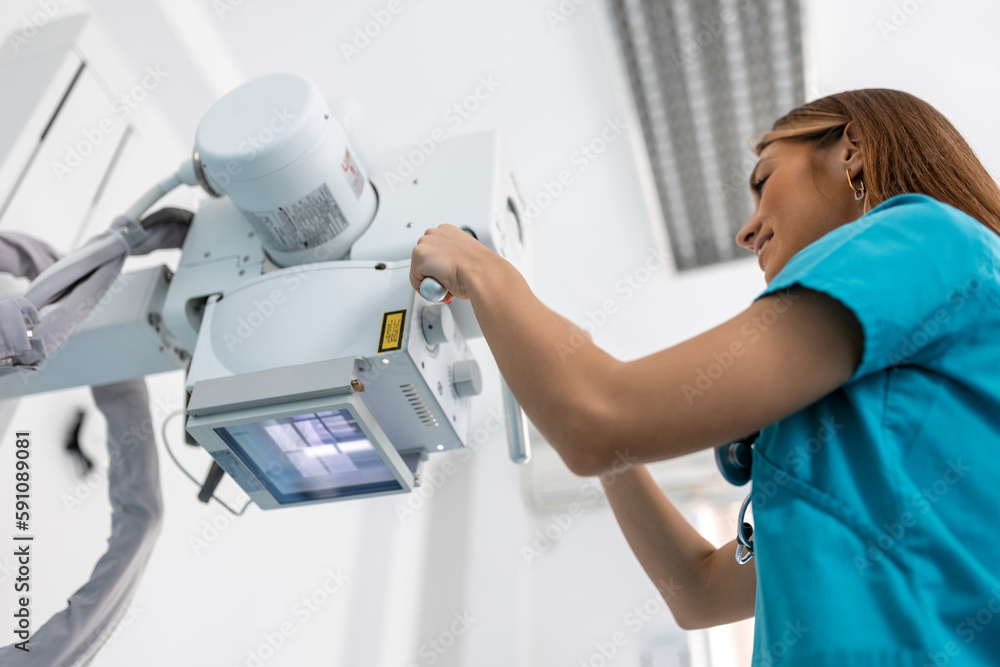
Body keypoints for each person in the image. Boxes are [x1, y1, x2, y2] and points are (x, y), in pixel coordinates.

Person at [409, 89, 1000, 665]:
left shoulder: (928, 237)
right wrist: (556, 383)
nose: (746, 231)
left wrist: (483, 269)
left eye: (763, 180)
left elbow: (597, 417)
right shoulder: (861, 420)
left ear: (851, 150)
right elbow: (697, 592)